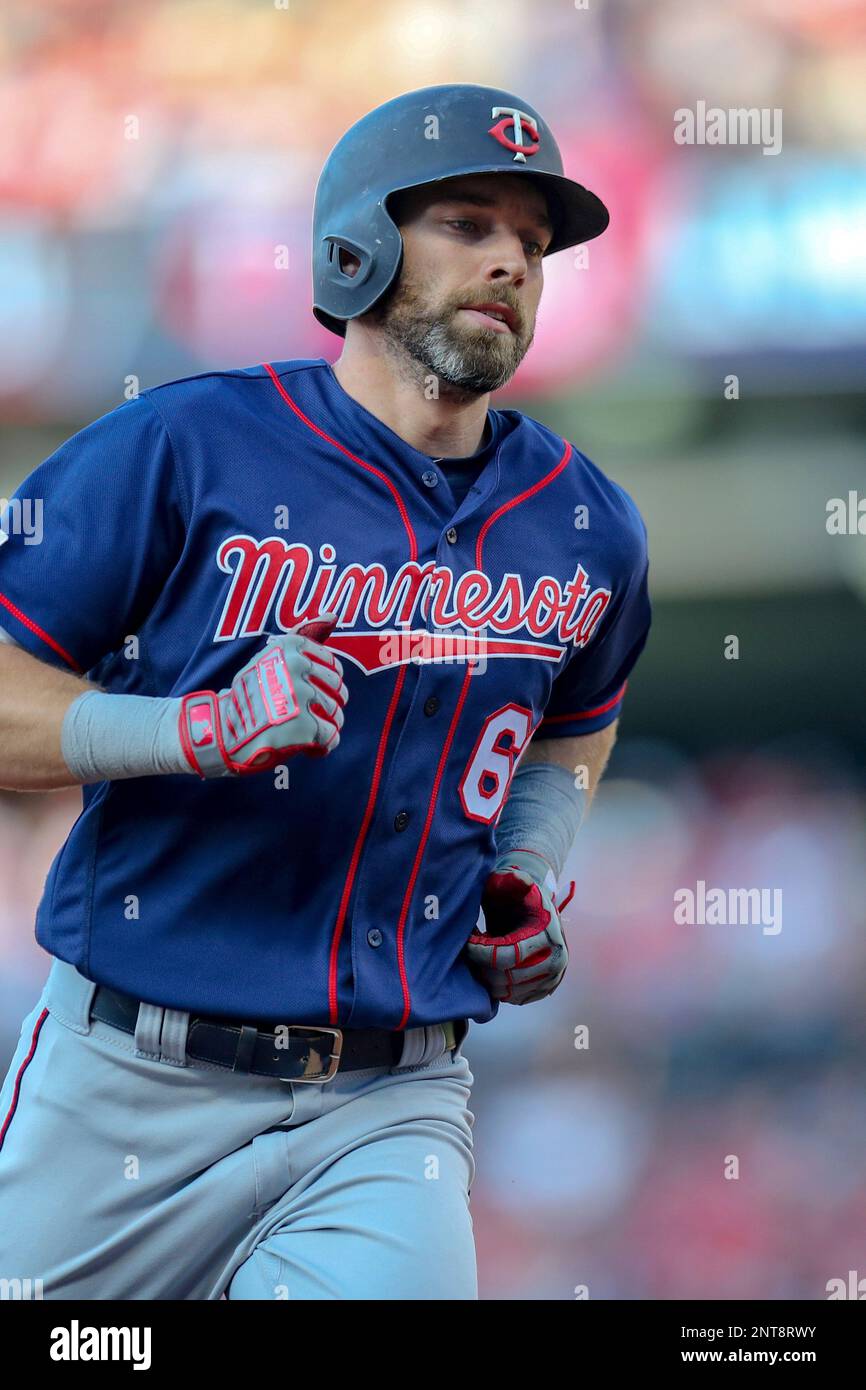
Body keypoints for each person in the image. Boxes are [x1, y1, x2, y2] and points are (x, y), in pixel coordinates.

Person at [0, 84, 650, 1300]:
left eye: (531, 242)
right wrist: (190, 728)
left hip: (386, 1102)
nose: (509, 260)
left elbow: (575, 723)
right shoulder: (186, 446)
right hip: (129, 1084)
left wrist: (532, 855)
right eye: (467, 222)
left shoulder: (583, 522)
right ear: (356, 246)